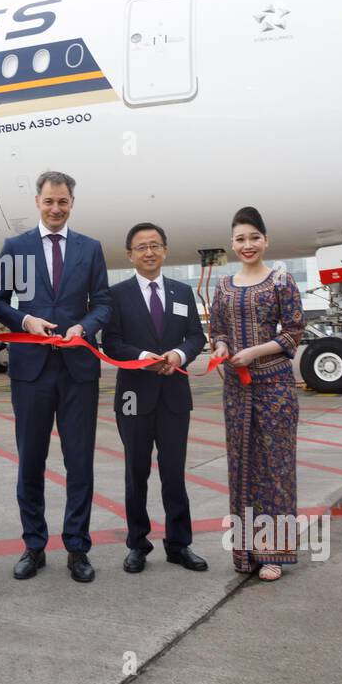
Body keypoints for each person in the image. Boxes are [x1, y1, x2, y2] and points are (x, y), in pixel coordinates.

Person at [0, 171, 111, 582]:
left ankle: (77, 548)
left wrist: (86, 327)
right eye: (49, 202)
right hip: (31, 369)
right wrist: (25, 320)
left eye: (63, 202)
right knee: (31, 462)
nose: (56, 208)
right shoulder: (16, 247)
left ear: (72, 203)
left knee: (79, 463)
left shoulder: (90, 249)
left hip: (77, 368)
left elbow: (104, 303)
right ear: (37, 202)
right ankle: (34, 545)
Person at [102, 222, 209, 574]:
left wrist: (179, 356)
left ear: (165, 250)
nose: (149, 252)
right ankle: (138, 544)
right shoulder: (116, 296)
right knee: (137, 473)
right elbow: (112, 342)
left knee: (174, 473)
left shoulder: (181, 292)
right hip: (134, 394)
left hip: (175, 395)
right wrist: (145, 359)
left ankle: (179, 545)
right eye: (141, 247)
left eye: (155, 245)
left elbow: (196, 336)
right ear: (129, 255)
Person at [208, 207, 305, 581]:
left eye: (254, 237)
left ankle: (274, 555)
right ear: (232, 244)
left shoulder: (282, 280)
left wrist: (254, 352)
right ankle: (246, 552)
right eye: (240, 239)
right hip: (236, 388)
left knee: (276, 468)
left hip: (274, 385)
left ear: (266, 240)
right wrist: (220, 348)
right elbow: (217, 330)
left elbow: (294, 332)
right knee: (242, 465)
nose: (247, 245)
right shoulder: (223, 286)